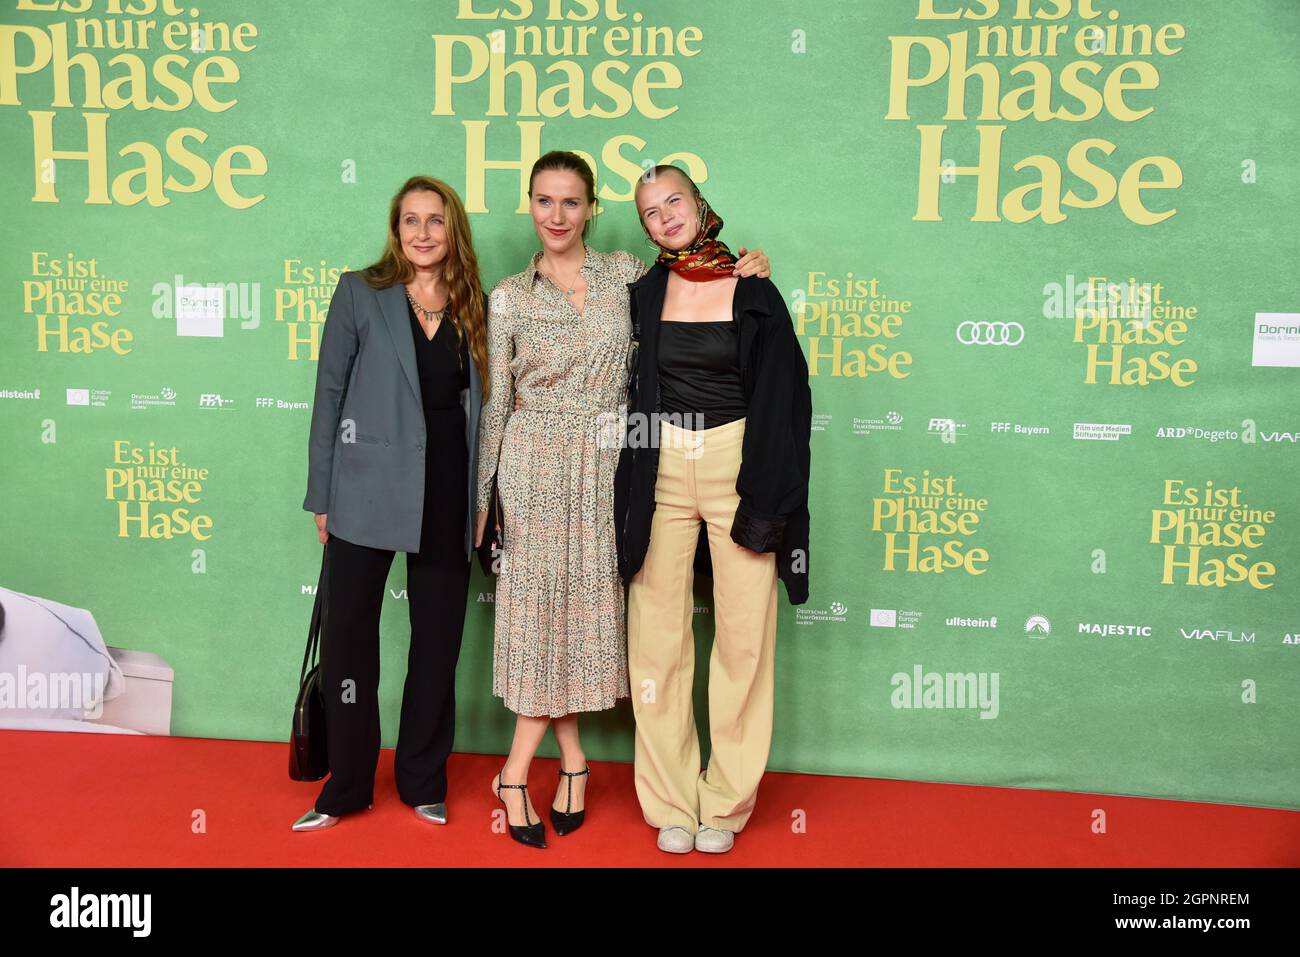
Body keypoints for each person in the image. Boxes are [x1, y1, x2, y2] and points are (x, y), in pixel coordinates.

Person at [474, 151, 769, 848]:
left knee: (585, 617)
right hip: (534, 466)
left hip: (614, 464)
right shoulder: (510, 295)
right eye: (543, 201)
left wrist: (744, 267)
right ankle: (520, 771)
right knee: (537, 617)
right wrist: (486, 497)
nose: (556, 215)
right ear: (531, 205)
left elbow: (697, 283)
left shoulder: (629, 277)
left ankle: (572, 761)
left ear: (592, 210)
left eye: (570, 202)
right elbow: (495, 405)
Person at [614, 164, 811, 855]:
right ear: (644, 228)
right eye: (650, 212)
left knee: (743, 639)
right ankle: (670, 797)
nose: (665, 216)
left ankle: (725, 801)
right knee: (657, 637)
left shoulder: (755, 290)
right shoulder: (640, 293)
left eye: (675, 201)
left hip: (738, 462)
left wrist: (769, 494)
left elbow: (785, 398)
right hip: (660, 464)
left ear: (701, 207)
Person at [294, 175, 488, 832]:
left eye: (436, 220)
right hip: (365, 487)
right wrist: (322, 493)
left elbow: (484, 410)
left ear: (451, 228)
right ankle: (346, 783)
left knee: (437, 642)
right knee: (350, 641)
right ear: (395, 228)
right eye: (411, 220)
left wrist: (482, 499)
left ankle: (422, 777)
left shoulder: (474, 303)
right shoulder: (360, 292)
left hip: (448, 489)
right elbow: (328, 394)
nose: (424, 233)